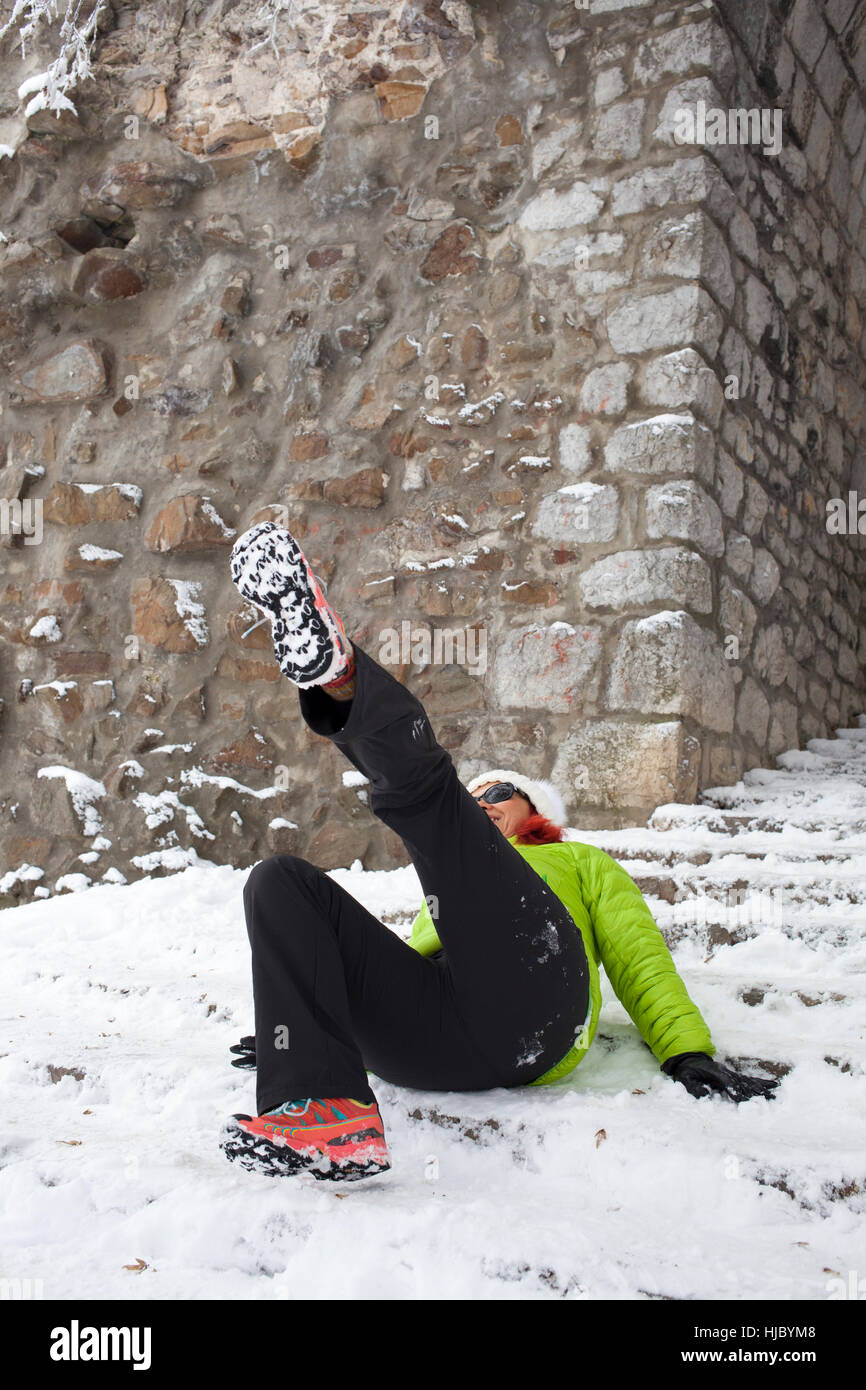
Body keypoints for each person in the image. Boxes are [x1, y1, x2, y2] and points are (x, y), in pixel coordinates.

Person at [221, 520, 778, 1183]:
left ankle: (339, 679)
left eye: (501, 793)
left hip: (535, 1013)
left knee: (427, 794)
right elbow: (379, 968)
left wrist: (686, 1050)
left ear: (535, 811)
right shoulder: (452, 871)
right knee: (276, 883)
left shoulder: (578, 864)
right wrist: (308, 1032)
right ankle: (324, 1113)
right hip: (433, 1035)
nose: (485, 803)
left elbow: (638, 954)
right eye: (478, 796)